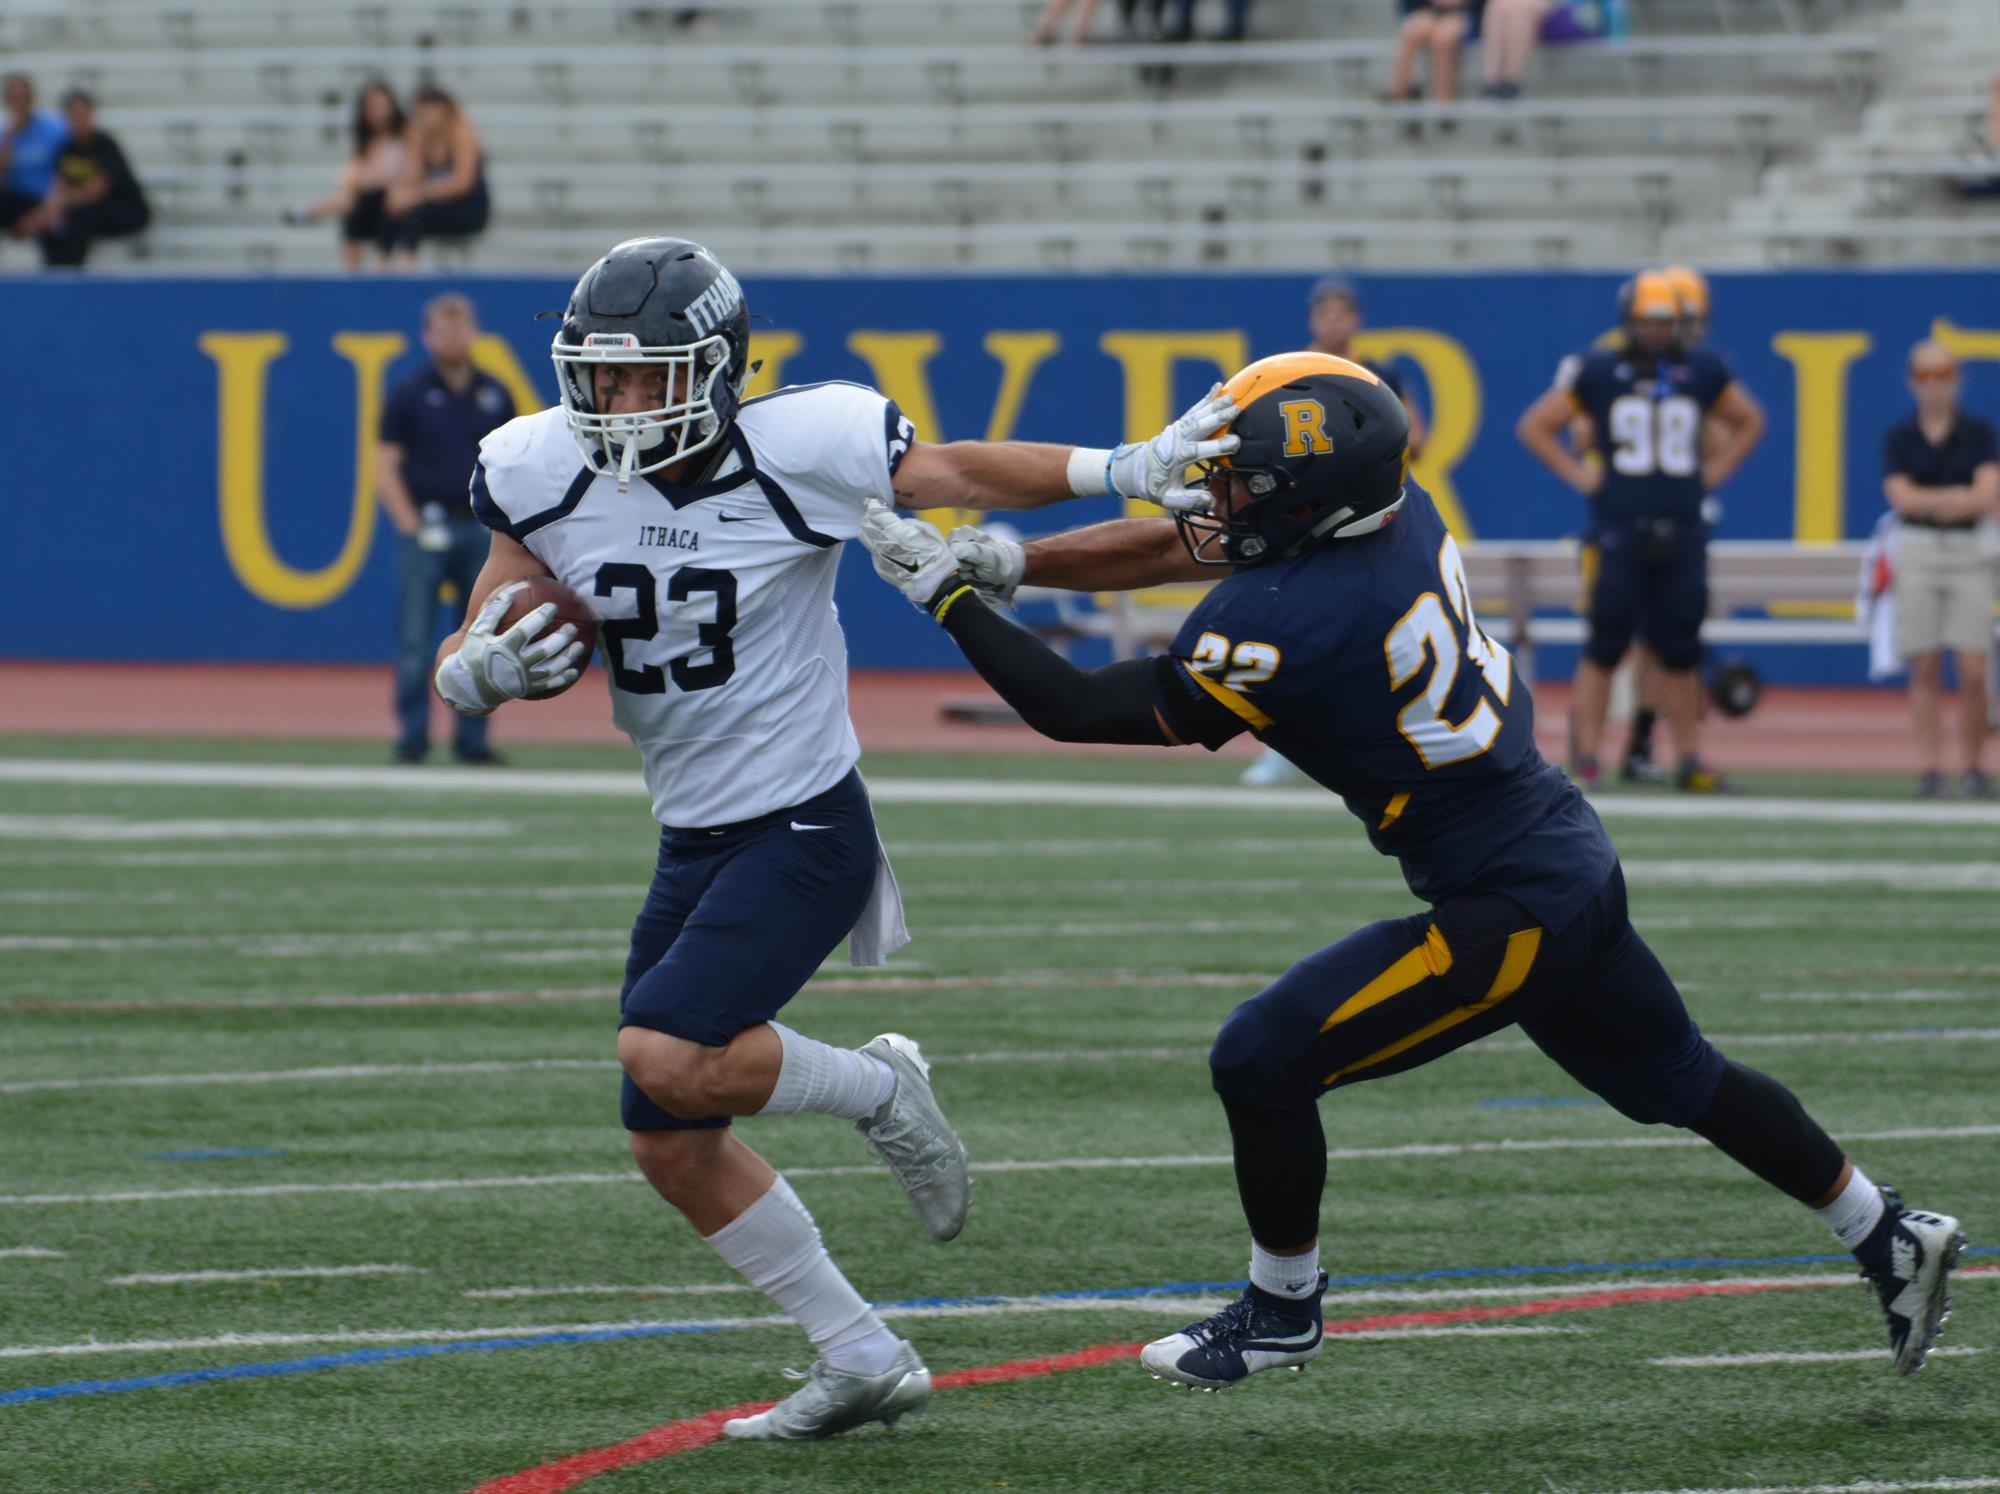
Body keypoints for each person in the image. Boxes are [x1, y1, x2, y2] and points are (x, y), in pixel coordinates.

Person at [867, 352, 1967, 1392]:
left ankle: (1281, 1308)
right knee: (1681, 1078)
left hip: (1507, 906)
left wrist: (950, 599)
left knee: (1260, 1057)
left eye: (1243, 483)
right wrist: (1018, 562)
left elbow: (1077, 707)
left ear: (1309, 503)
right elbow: (1187, 547)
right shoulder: (1392, 509)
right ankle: (1885, 1231)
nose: (1219, 499)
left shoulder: (1290, 617)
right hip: (1559, 850)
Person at [431, 235, 1236, 1440]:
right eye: (599, 375)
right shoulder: (534, 463)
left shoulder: (800, 442)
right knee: (667, 1138)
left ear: (718, 371)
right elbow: (487, 619)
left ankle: (876, 1084)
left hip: (804, 823)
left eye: (647, 376)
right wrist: (476, 673)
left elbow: (958, 469)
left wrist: (1118, 465)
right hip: (690, 831)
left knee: (663, 1052)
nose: (619, 402)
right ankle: (858, 1354)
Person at [1516, 271, 1764, 793]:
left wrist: (1714, 473)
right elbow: (1536, 425)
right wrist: (1580, 475)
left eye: (1665, 322)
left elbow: (1750, 420)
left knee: (1681, 647)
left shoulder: (1702, 368)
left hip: (1682, 527)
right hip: (1618, 529)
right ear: (1629, 320)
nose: (1656, 331)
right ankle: (1587, 759)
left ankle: (1689, 760)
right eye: (1648, 322)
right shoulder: (1599, 369)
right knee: (1604, 644)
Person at [1244, 276, 1429, 787]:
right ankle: (1282, 747)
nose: (1334, 322)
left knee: (1371, 628)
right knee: (1290, 627)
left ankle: (1376, 742)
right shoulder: (1287, 371)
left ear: (1356, 319)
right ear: (1312, 319)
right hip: (1303, 517)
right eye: (1326, 313)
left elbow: (1417, 440)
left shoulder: (1378, 373)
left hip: (1362, 517)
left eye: (1342, 313)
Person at [381, 294, 517, 764]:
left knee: (481, 637)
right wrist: (409, 524)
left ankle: (473, 739)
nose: (454, 338)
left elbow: (515, 466)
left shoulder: (494, 392)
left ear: (473, 332)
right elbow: (385, 463)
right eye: (444, 330)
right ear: (428, 337)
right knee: (416, 640)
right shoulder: (409, 393)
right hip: (430, 524)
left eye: (460, 329)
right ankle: (412, 737)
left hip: (481, 530)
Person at [1882, 339, 2000, 798]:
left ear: (1958, 379)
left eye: (1943, 374)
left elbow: (1985, 495)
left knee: (1973, 667)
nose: (1935, 385)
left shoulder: (1979, 433)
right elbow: (1901, 498)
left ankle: (1973, 767)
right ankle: (1931, 768)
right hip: (1919, 548)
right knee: (1925, 666)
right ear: (1912, 381)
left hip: (1968, 550)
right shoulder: (1900, 436)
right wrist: (1954, 498)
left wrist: (1931, 500)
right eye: (1926, 376)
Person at [17, 89, 149, 267]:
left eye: (81, 115)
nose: (77, 121)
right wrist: (40, 216)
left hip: (124, 210)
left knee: (80, 215)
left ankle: (72, 270)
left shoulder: (105, 145)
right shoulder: (66, 148)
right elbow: (58, 188)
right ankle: (54, 269)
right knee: (52, 223)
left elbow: (96, 190)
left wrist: (61, 202)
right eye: (72, 116)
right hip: (86, 210)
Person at [297, 81, 407, 272]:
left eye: (380, 105)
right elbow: (350, 178)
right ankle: (353, 274)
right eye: (371, 107)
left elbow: (404, 174)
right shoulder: (365, 144)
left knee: (360, 203)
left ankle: (313, 212)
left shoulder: (406, 137)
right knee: (353, 209)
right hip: (370, 202)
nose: (377, 112)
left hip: (395, 202)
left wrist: (370, 179)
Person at [381, 84, 488, 268]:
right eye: (418, 113)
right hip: (435, 206)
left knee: (416, 212)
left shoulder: (461, 133)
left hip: (467, 208)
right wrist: (397, 193)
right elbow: (412, 175)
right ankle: (382, 263)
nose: (421, 118)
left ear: (443, 111)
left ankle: (406, 264)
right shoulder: (418, 136)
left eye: (426, 112)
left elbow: (462, 183)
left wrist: (417, 195)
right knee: (392, 210)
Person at [0, 74, 66, 241]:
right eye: (14, 98)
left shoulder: (55, 130)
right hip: (18, 200)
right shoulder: (4, 136)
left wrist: (46, 210)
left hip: (49, 199)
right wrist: (10, 137)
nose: (19, 104)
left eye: (23, 98)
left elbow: (65, 171)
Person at [1384, 0, 1481, 104]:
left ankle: (1444, 103)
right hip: (1427, 10)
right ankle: (1396, 93)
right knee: (1412, 30)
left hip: (1466, 14)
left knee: (1443, 38)